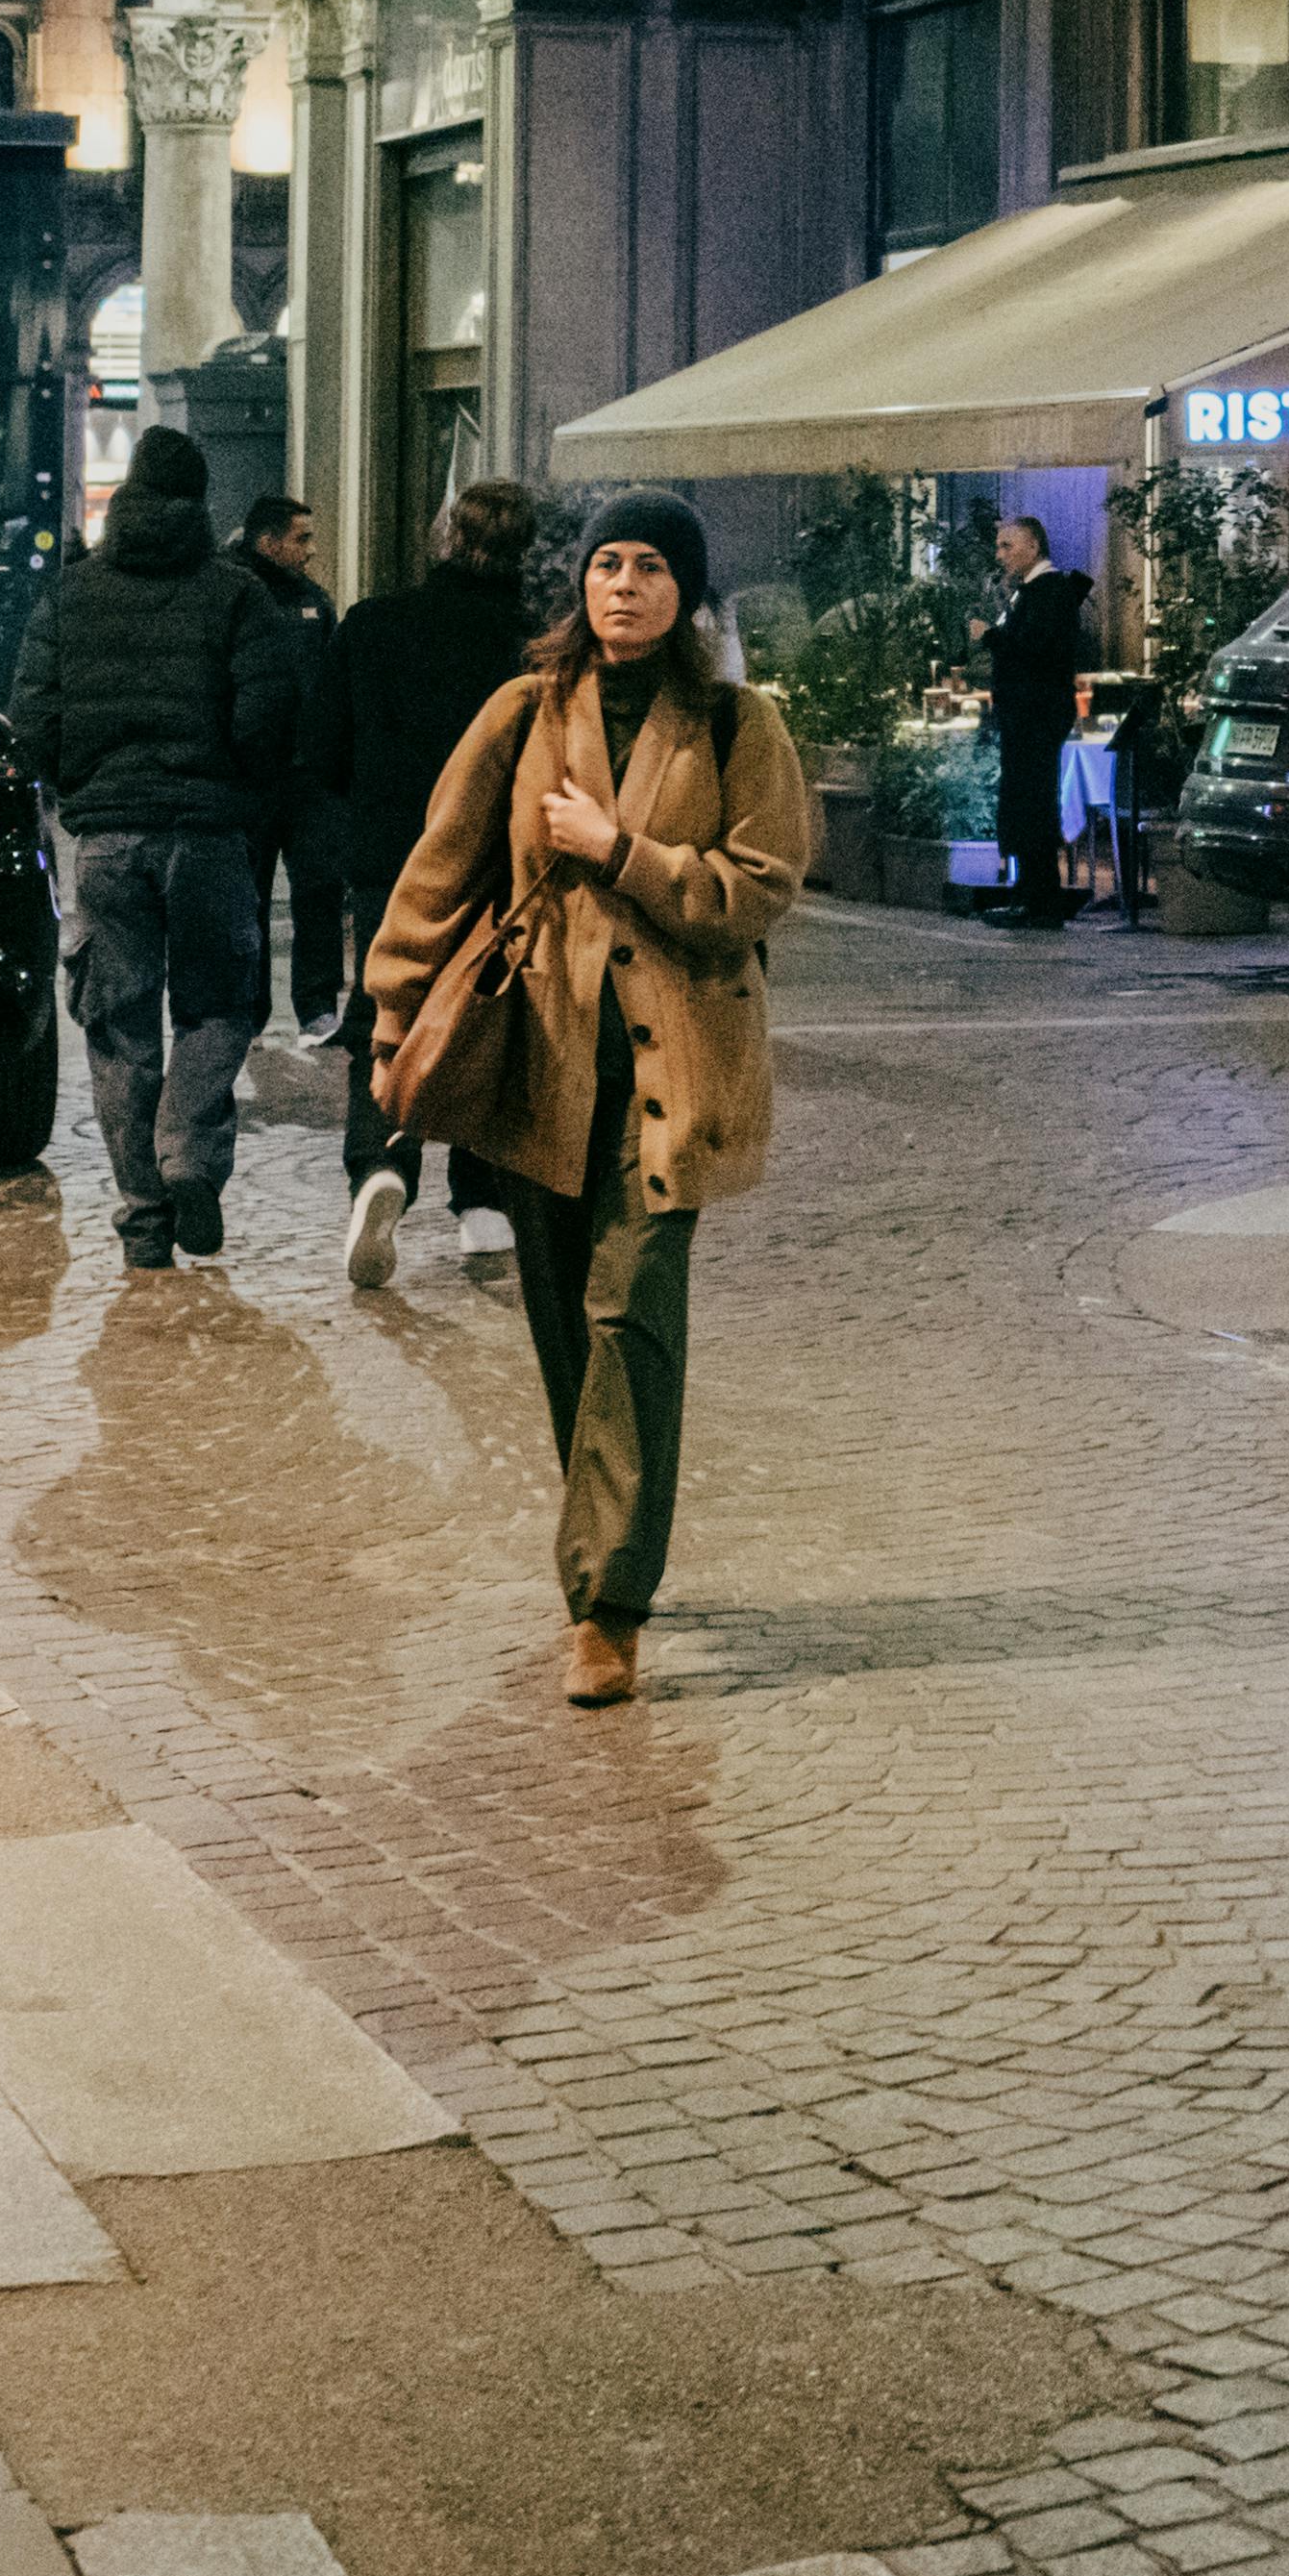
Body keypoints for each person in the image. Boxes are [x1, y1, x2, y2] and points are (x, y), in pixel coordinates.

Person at [350, 486, 809, 1704]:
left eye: (651, 566)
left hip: (676, 1072)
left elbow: (758, 889)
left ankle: (607, 1604)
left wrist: (621, 851)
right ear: (578, 586)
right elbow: (440, 864)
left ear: (686, 592)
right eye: (606, 563)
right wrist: (392, 1010)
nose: (623, 586)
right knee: (565, 1328)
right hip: (536, 1067)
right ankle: (605, 1525)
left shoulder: (734, 723)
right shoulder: (524, 708)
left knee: (632, 1314)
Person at [12, 422, 313, 1266]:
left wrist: (79, 788)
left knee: (118, 1028)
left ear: (127, 498)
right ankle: (188, 1153)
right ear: (200, 499)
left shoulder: (70, 595)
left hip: (107, 839)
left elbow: (33, 718)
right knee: (220, 1006)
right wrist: (239, 789)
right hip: (210, 835)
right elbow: (266, 718)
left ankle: (144, 1214)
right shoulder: (237, 596)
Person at [327, 475, 541, 1286]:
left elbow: (324, 749)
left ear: (443, 536)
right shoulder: (536, 646)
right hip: (504, 864)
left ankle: (381, 1163)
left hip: (393, 853)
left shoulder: (373, 626)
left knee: (388, 1007)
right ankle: (483, 1206)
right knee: (492, 1013)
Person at [233, 490, 348, 1043]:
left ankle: (317, 1009)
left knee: (320, 889)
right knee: (247, 894)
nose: (312, 549)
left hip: (308, 777)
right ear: (268, 541)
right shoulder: (231, 594)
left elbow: (329, 681)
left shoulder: (314, 603)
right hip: (251, 776)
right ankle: (250, 1010)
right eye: (301, 538)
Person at [971, 515, 1098, 930]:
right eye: (999, 546)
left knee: (1033, 801)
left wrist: (990, 636)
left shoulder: (1049, 592)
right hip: (1027, 713)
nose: (1000, 555)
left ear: (1032, 546)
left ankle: (1039, 898)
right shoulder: (1034, 592)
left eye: (1008, 546)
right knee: (1025, 800)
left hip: (1035, 715)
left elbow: (1035, 651)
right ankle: (1028, 893)